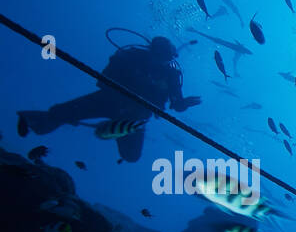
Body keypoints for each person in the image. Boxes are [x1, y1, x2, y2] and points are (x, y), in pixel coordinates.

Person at [17, 35, 200, 163]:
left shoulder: (171, 74)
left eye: (164, 57)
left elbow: (177, 105)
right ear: (151, 50)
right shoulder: (133, 56)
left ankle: (108, 128)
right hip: (109, 99)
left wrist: (184, 103)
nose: (159, 60)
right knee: (59, 113)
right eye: (157, 54)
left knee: (131, 156)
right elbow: (106, 77)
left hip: (136, 116)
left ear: (170, 58)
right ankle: (32, 121)